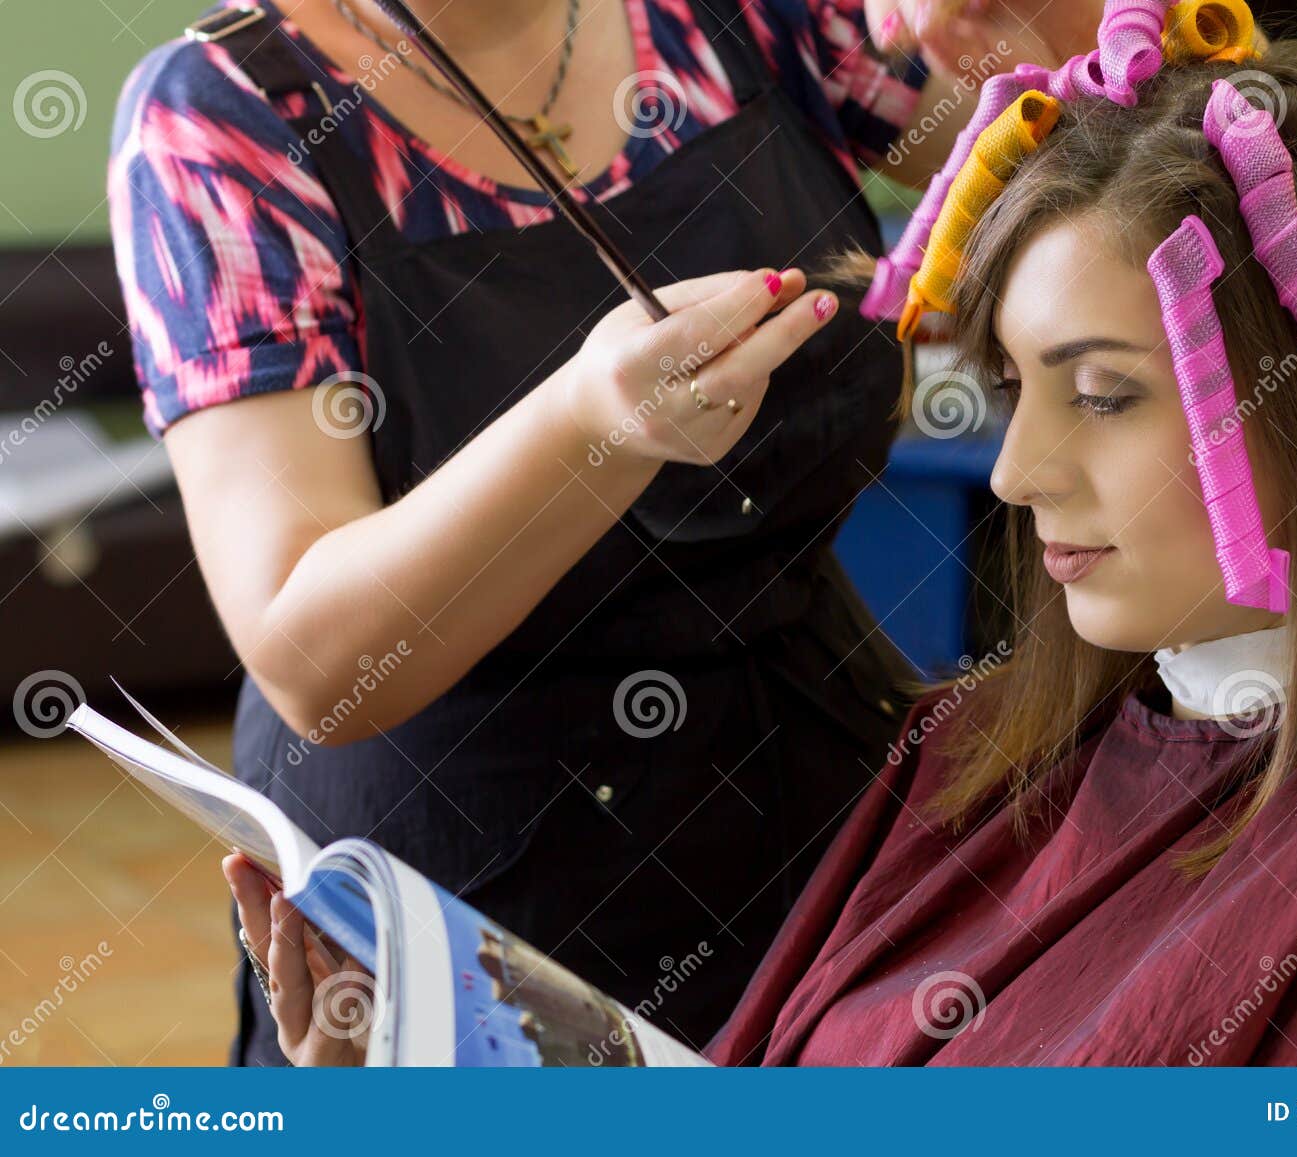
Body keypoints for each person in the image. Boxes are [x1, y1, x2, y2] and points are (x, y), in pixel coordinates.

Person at [232, 27, 1297, 1066]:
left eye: (1104, 392)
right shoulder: (975, 758)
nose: (1016, 470)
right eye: (1015, 390)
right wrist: (433, 1062)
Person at [110, 0, 1096, 1062]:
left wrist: (1053, 41)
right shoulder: (227, 119)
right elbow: (315, 650)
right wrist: (590, 429)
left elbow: (1093, 152)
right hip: (470, 900)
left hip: (819, 805)